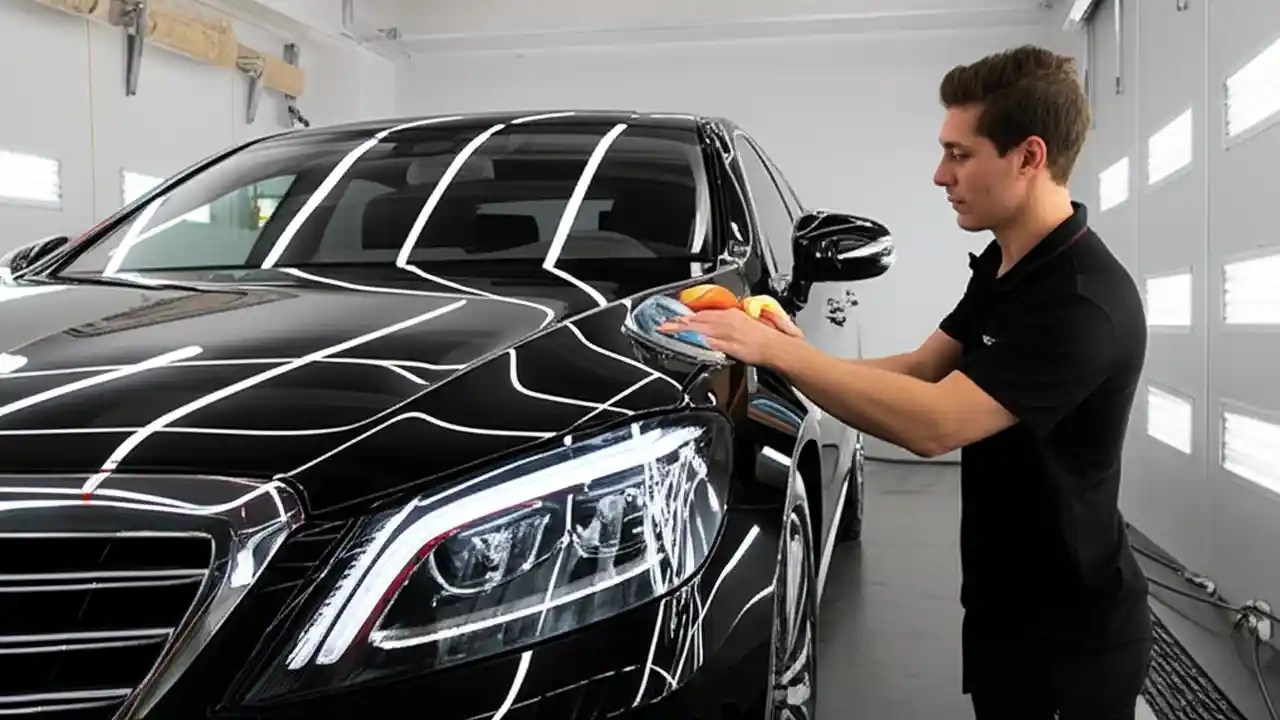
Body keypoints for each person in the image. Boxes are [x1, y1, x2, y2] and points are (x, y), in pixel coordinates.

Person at [659, 45, 1153, 719]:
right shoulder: (1008, 265)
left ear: (1029, 157)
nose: (940, 174)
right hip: (1007, 611)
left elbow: (935, 423)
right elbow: (923, 368)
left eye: (960, 154)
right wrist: (792, 354)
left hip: (1071, 639)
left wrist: (779, 356)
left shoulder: (1080, 302)